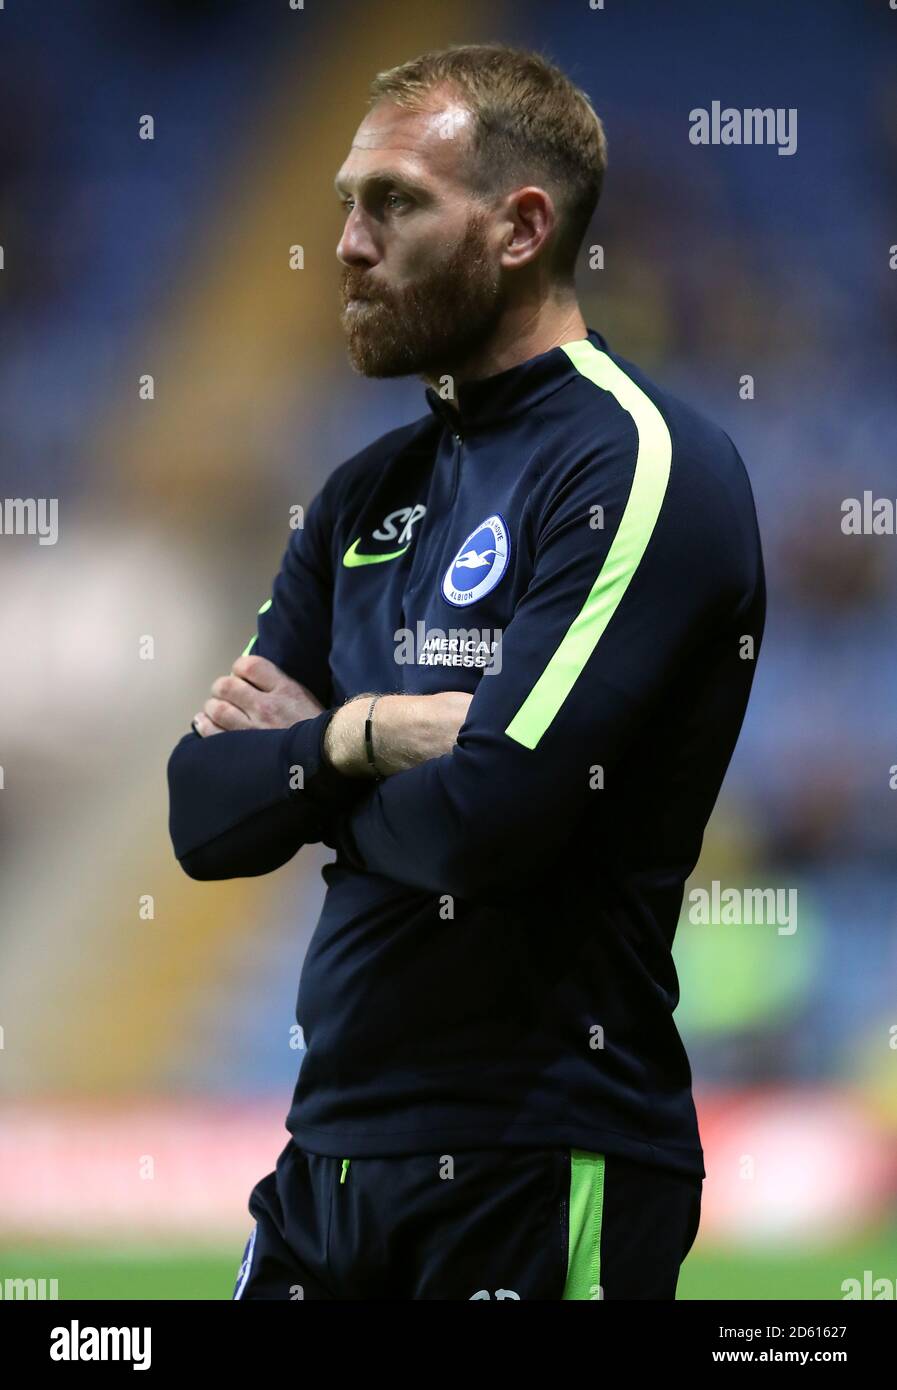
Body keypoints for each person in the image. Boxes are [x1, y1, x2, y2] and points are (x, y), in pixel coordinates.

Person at [167, 42, 765, 1300]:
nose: (344, 243)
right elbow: (202, 814)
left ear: (520, 227)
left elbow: (487, 821)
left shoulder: (640, 465)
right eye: (344, 201)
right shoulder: (364, 492)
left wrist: (316, 763)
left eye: (393, 203)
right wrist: (361, 733)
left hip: (537, 1160)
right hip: (324, 1164)